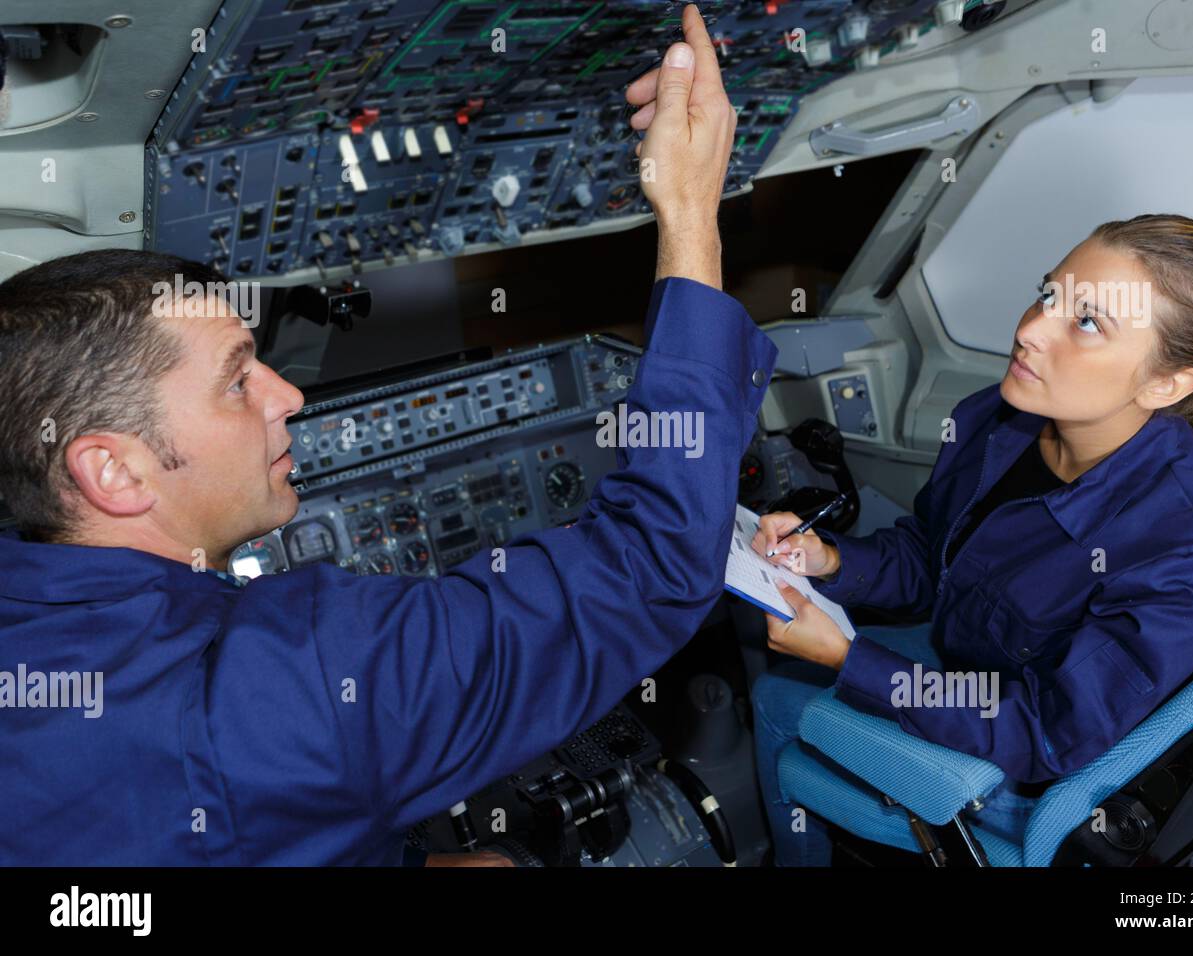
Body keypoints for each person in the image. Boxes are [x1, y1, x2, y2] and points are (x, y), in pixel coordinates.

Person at [0, 5, 775, 865]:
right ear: (113, 471)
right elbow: (655, 564)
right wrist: (691, 209)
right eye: (236, 377)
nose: (289, 394)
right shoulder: (296, 684)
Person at [749, 214, 1193, 865]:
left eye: (1087, 323)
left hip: (1043, 772)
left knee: (777, 694)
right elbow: (930, 554)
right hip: (979, 664)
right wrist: (830, 558)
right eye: (1048, 294)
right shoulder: (1001, 418)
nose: (1030, 329)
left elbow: (1042, 731)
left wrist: (848, 661)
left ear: (1165, 384)